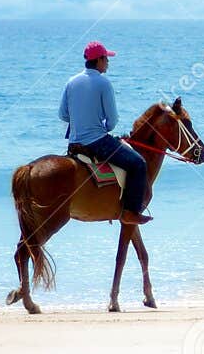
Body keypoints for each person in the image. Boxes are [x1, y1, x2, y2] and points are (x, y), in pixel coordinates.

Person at [59, 41, 152, 225]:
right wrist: (104, 127)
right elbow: (112, 120)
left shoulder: (71, 82)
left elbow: (63, 114)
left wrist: (80, 121)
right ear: (99, 60)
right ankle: (130, 212)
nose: (108, 63)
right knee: (138, 164)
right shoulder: (103, 83)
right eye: (106, 59)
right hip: (97, 142)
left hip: (74, 144)